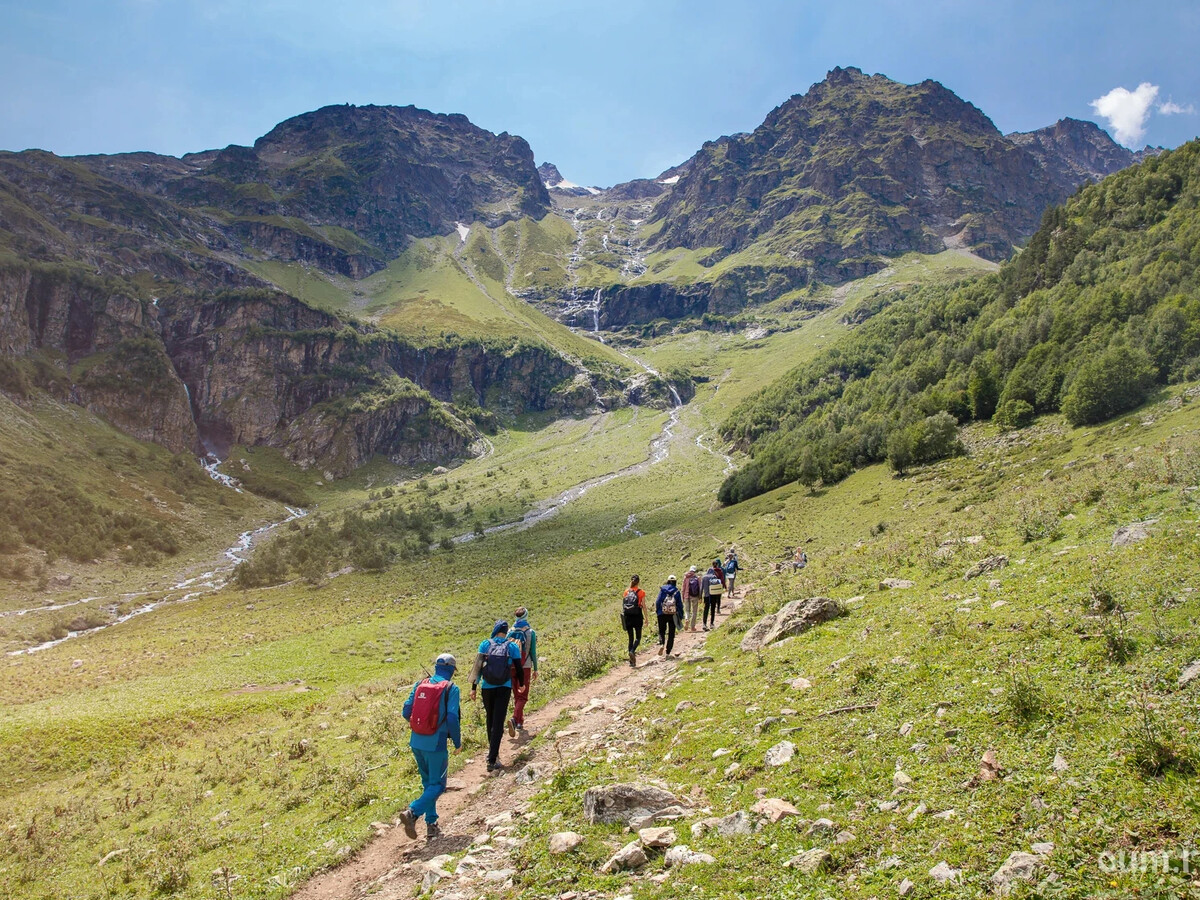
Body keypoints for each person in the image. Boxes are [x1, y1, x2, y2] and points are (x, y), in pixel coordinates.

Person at [399, 653, 462, 840]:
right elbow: (452, 717)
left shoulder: (420, 684)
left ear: (436, 667)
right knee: (438, 785)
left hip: (416, 741)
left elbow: (406, 711)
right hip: (436, 743)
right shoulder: (451, 688)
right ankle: (413, 812)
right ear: (451, 670)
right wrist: (457, 742)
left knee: (428, 784)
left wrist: (421, 724)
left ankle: (431, 823)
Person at [470, 621, 525, 772]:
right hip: (504, 687)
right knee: (498, 721)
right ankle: (492, 758)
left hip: (487, 687)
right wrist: (521, 684)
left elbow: (477, 667)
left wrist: (473, 688)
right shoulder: (511, 646)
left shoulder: (485, 644)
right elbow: (518, 667)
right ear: (506, 632)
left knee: (490, 719)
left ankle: (493, 754)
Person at [508, 609, 538, 731]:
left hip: (511, 666)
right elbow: (533, 652)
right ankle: (515, 719)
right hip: (525, 666)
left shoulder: (510, 631)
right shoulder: (531, 632)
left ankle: (520, 722)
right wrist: (535, 668)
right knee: (523, 696)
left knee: (516, 695)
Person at [621, 575, 646, 667]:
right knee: (638, 637)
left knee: (630, 638)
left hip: (628, 617)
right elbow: (644, 606)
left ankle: (631, 662)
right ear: (638, 582)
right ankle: (632, 651)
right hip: (637, 616)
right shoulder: (641, 592)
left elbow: (623, 605)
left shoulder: (626, 592)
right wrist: (646, 618)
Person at [655, 575, 682, 657]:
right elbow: (680, 604)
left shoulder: (662, 590)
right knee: (671, 633)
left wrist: (658, 611)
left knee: (661, 631)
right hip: (673, 614)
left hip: (662, 614)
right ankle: (668, 652)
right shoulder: (677, 591)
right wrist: (680, 615)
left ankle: (662, 644)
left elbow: (657, 601)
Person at [701, 561, 724, 631]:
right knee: (713, 609)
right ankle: (711, 623)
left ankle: (704, 624)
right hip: (713, 595)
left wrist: (700, 596)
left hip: (706, 596)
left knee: (706, 609)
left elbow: (701, 588)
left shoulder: (704, 577)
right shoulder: (714, 576)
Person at [682, 566, 702, 632]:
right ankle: (692, 627)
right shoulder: (697, 578)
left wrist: (683, 597)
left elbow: (683, 588)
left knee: (687, 610)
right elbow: (700, 588)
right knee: (694, 612)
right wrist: (700, 597)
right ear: (694, 571)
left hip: (686, 596)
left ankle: (687, 619)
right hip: (695, 596)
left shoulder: (685, 577)